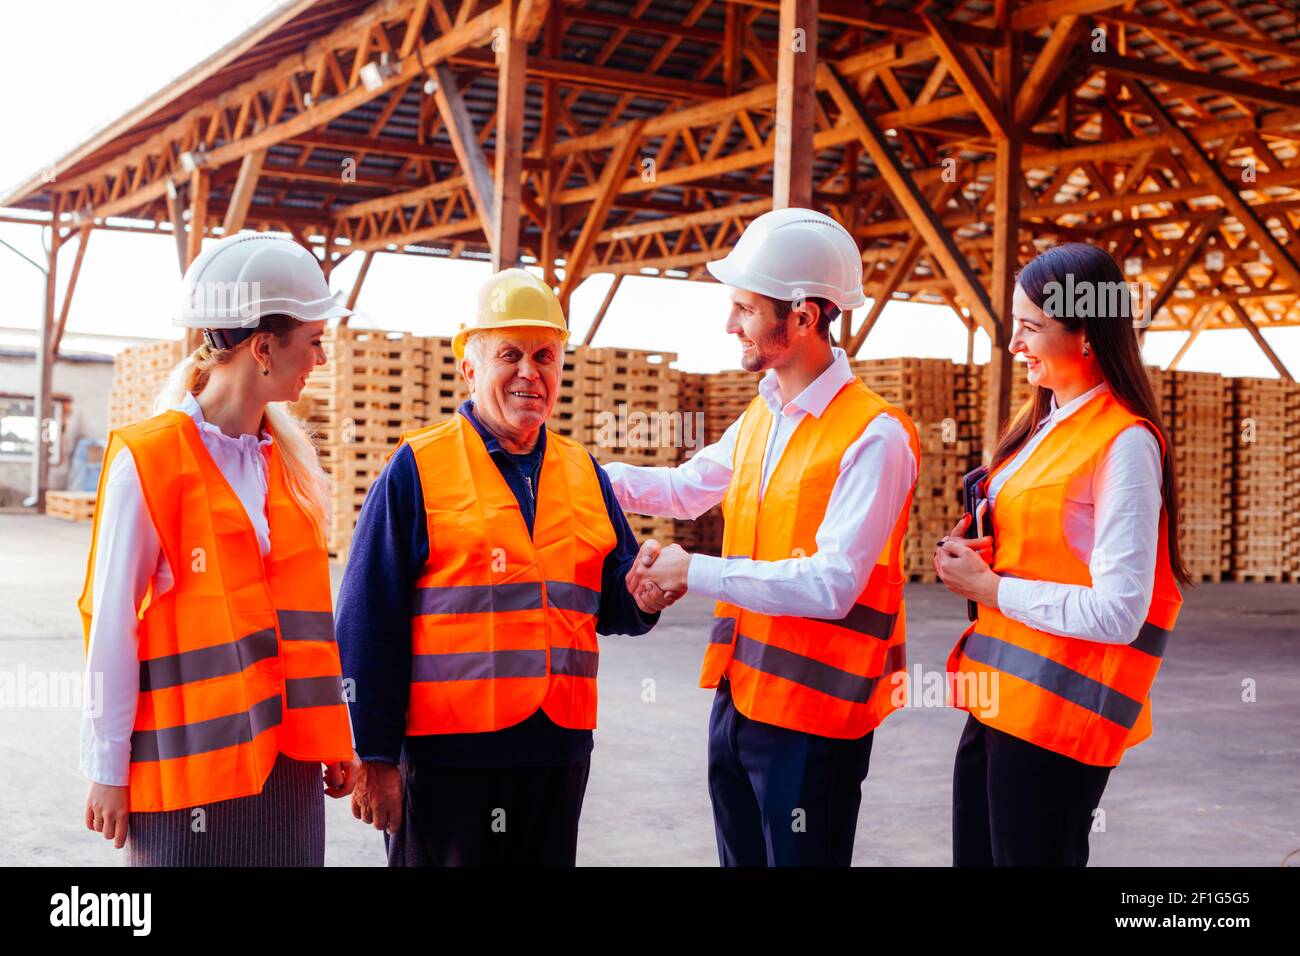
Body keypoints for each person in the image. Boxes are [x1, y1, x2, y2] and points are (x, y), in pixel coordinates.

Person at [606, 207, 920, 866]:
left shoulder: (875, 436)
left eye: (745, 308)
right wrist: (588, 477)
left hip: (817, 722)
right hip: (742, 698)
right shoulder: (766, 412)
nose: (730, 325)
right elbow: (690, 487)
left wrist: (695, 572)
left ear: (803, 316)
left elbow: (833, 585)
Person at [337, 268, 663, 867]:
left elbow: (609, 600)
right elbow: (366, 620)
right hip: (447, 761)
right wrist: (376, 757)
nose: (529, 372)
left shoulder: (584, 471)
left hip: (557, 752)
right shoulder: (417, 468)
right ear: (469, 368)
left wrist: (641, 595)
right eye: (509, 354)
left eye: (544, 355)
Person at [78, 233, 359, 866]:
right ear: (264, 348)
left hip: (285, 767)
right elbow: (111, 628)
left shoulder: (288, 463)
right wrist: (107, 767)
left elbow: (305, 622)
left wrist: (332, 733)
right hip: (187, 770)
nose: (320, 357)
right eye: (313, 341)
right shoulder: (147, 460)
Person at [934, 242, 1190, 867]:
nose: (1015, 344)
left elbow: (1119, 612)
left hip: (1056, 719)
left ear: (1087, 338)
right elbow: (1045, 547)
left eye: (1031, 327)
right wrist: (979, 556)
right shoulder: (1045, 425)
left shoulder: (1123, 443)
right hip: (1002, 702)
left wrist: (992, 590)